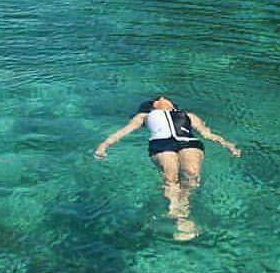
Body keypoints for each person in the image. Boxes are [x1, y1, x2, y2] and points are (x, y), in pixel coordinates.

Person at [94, 95, 240, 240]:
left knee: (191, 174)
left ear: (173, 105)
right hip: (161, 144)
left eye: (165, 98)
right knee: (170, 177)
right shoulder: (144, 116)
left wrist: (228, 145)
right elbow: (123, 131)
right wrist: (104, 145)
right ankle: (173, 211)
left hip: (188, 142)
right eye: (157, 100)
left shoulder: (188, 115)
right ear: (152, 106)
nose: (162, 98)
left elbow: (207, 133)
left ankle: (182, 214)